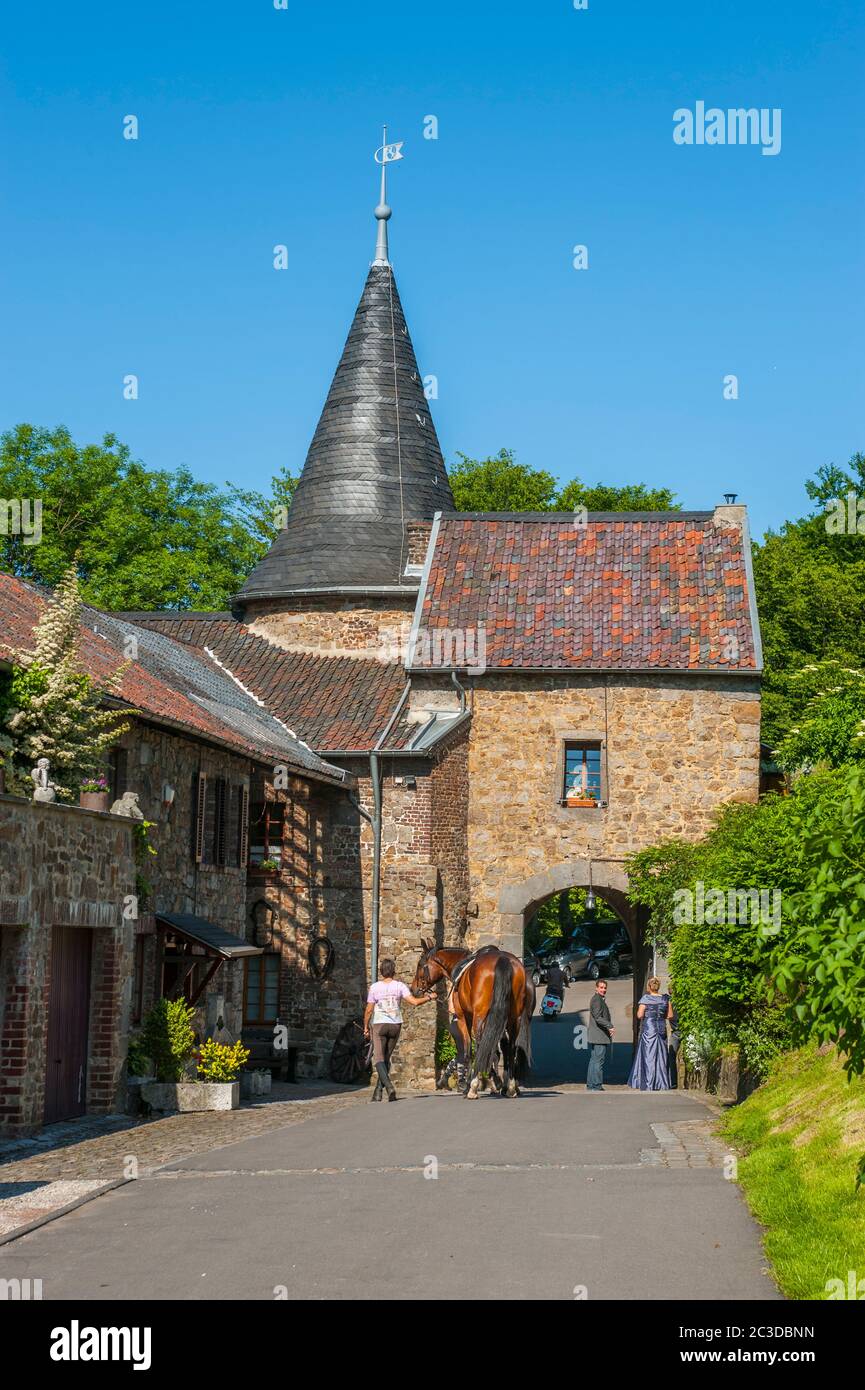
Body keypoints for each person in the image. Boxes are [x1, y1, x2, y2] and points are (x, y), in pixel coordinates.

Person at [363, 958, 432, 1101]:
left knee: (379, 1059)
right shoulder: (400, 986)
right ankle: (377, 1092)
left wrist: (365, 1027)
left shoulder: (375, 987)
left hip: (380, 1025)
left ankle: (389, 1087)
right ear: (393, 971)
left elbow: (369, 1010)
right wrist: (429, 997)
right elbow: (414, 1002)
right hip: (395, 1025)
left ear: (381, 971)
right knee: (386, 1059)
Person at [627, 976, 673, 1090]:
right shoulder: (665, 999)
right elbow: (670, 1015)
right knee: (661, 1055)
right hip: (661, 1028)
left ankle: (648, 1082)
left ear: (649, 987)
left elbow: (639, 1015)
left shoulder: (645, 999)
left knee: (649, 1055)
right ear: (658, 987)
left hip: (649, 1028)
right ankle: (661, 1083)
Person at [587, 977, 614, 1090]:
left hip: (597, 1035)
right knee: (598, 1061)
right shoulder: (597, 1000)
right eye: (601, 987)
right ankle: (596, 1085)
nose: (603, 990)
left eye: (605, 988)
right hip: (599, 1036)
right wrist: (610, 1026)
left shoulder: (598, 999)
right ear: (596, 988)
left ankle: (591, 1084)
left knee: (594, 1060)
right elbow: (598, 1017)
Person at [667, 985, 681, 1088]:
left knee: (671, 1055)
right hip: (680, 1031)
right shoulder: (684, 1001)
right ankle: (673, 1082)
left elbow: (669, 1016)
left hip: (676, 1032)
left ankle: (673, 1082)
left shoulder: (670, 1002)